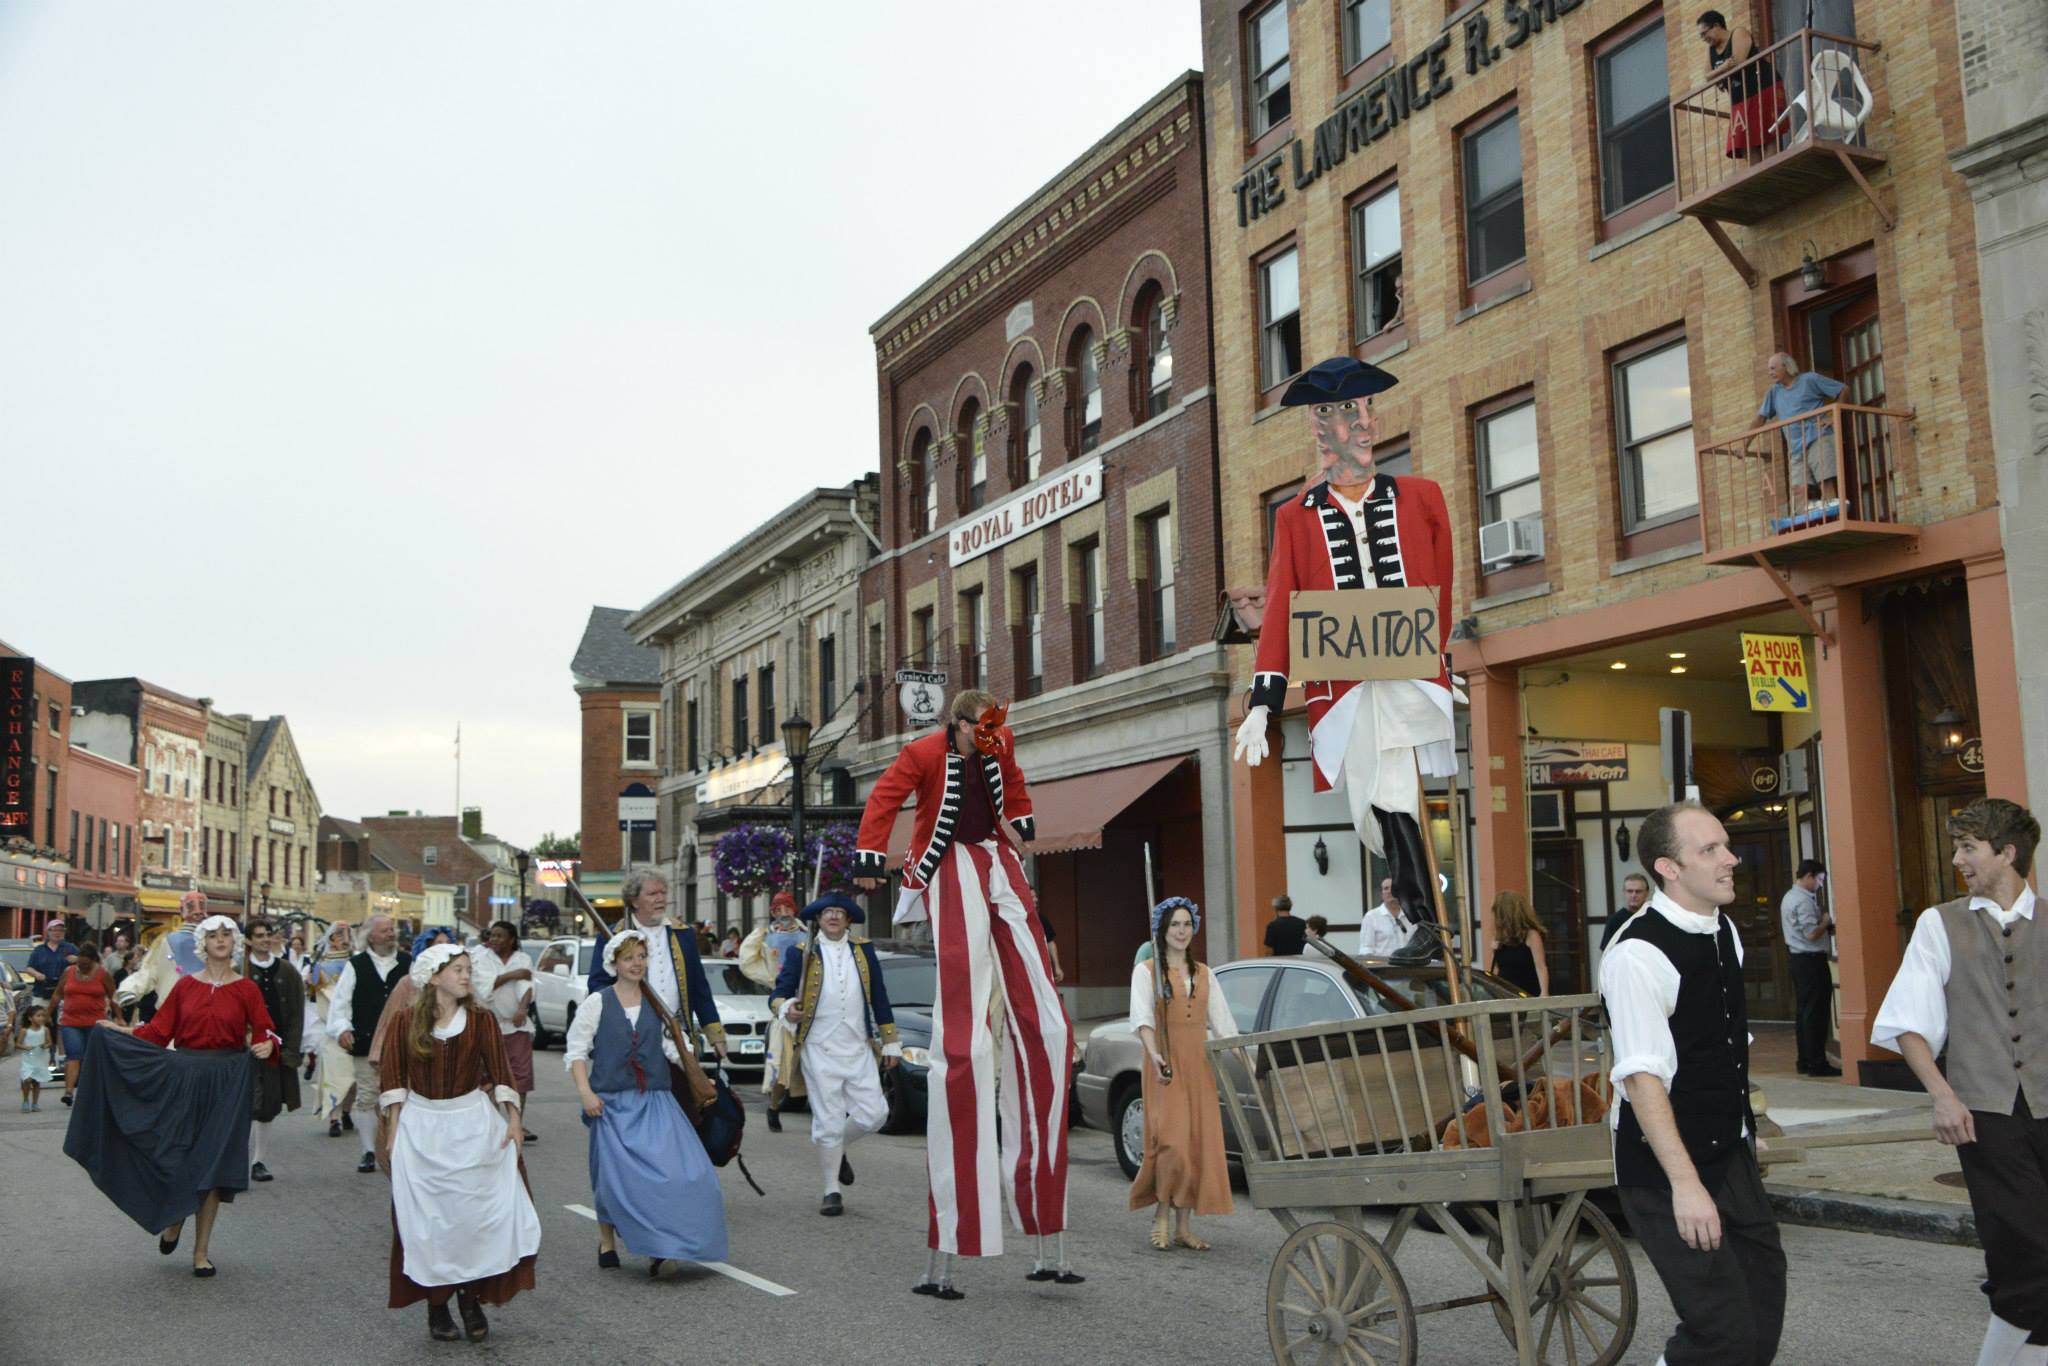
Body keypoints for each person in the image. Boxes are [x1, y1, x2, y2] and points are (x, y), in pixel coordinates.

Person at [1234, 357, 1457, 966]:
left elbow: (1441, 583)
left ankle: (1427, 922)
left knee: (1396, 795)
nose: (1352, 423)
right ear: (1317, 427)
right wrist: (1262, 702)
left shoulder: (1422, 497)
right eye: (1335, 412)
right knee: (1372, 805)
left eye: (1359, 409)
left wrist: (1440, 656)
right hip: (1346, 683)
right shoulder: (1294, 517)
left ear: (1372, 418)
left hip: (1408, 673)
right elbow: (1279, 610)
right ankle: (1429, 922)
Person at [853, 687, 1075, 1294]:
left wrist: (1023, 820)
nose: (988, 737)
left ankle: (1045, 1236)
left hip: (996, 860)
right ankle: (955, 1240)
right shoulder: (921, 753)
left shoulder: (999, 742)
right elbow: (885, 800)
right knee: (966, 1046)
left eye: (992, 728)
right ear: (954, 725)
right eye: (978, 729)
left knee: (1051, 1031)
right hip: (946, 865)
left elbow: (1016, 779)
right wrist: (872, 858)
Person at [1601, 801, 1784, 1365]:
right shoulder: (1636, 954)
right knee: (1721, 1331)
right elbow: (1642, 1079)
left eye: (1725, 845)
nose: (1731, 859)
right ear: (1669, 868)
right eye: (1710, 850)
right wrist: (1686, 1186)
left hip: (1729, 1150)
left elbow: (1724, 1047)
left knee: (1761, 1311)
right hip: (1662, 1166)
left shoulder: (1724, 929)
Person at [1872, 798, 2048, 1366]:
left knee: (2036, 1262)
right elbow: (1908, 1023)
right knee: (2022, 1246)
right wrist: (1943, 1096)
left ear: (2007, 853)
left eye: (1969, 847)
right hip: (1985, 1111)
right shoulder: (1938, 923)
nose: (1957, 859)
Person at [69, 914, 279, 1278]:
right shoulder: (185, 988)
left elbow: (267, 1033)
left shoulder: (246, 989)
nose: (220, 940)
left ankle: (201, 1252)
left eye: (226, 935)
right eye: (212, 935)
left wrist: (267, 1045)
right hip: (185, 1076)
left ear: (235, 944)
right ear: (202, 944)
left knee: (213, 1167)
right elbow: (157, 1031)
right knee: (179, 1157)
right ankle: (174, 1217)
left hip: (228, 1081)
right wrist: (120, 1030)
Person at [381, 944, 539, 1342]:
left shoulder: (482, 1020)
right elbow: (394, 1081)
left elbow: (502, 1072)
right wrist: (394, 1134)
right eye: (457, 970)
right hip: (422, 1127)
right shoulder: (405, 1022)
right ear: (433, 977)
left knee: (473, 1221)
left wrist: (515, 1120)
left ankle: (470, 1299)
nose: (466, 975)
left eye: (468, 969)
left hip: (472, 1124)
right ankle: (437, 1305)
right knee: (431, 1223)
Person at [568, 929, 729, 1276]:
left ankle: (663, 1245)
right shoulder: (597, 1003)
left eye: (641, 957)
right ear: (614, 964)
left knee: (683, 1174)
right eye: (629, 958)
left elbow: (676, 1051)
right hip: (610, 1104)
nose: (636, 964)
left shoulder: (658, 1008)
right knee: (612, 1179)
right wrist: (585, 1092)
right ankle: (607, 1240)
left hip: (655, 1102)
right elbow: (576, 1052)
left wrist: (699, 1078)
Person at [771, 892, 900, 1216]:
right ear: (818, 919)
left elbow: (880, 996)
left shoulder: (863, 950)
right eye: (827, 912)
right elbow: (777, 996)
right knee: (828, 1119)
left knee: (875, 1115)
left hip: (857, 1044)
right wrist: (789, 1009)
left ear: (847, 919)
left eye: (838, 913)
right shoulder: (803, 952)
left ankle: (836, 1147)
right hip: (819, 1046)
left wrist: (890, 1041)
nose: (832, 917)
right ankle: (831, 1190)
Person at [1129, 897, 1237, 1252]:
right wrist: (1155, 1054)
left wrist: (1248, 1060)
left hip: (1199, 1064)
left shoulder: (1205, 973)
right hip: (1166, 1064)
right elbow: (1142, 1019)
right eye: (1175, 924)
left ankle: (1184, 1227)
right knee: (1171, 1143)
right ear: (1162, 930)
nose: (1181, 931)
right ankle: (1161, 1212)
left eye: (1187, 925)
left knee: (1195, 1145)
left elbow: (1223, 1024)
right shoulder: (1147, 971)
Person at [587, 872, 728, 1063]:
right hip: (632, 1037)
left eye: (663, 893)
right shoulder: (612, 936)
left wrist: (715, 1034)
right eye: (653, 894)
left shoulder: (683, 933)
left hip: (678, 1033)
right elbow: (598, 986)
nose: (660, 898)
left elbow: (699, 987)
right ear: (634, 901)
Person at [324, 914, 411, 1173]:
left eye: (392, 930)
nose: (391, 934)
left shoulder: (407, 963)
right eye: (385, 930)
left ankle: (399, 1146)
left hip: (402, 1041)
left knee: (402, 1094)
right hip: (366, 1040)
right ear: (371, 935)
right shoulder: (356, 965)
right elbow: (340, 1002)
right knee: (367, 1095)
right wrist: (342, 1029)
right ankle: (368, 1151)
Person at [243, 919, 306, 1181]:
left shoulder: (288, 972)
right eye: (259, 936)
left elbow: (296, 1013)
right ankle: (237, 1158)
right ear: (249, 941)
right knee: (242, 1104)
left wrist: (290, 1049)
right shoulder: (240, 970)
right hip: (243, 1048)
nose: (265, 940)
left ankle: (258, 1160)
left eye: (268, 935)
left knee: (267, 1106)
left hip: (274, 1049)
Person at [739, 892, 808, 1132]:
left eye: (786, 908)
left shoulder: (808, 935)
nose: (783, 914)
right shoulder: (767, 937)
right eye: (778, 910)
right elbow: (747, 961)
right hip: (782, 1006)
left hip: (810, 1004)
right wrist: (772, 982)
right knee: (781, 1060)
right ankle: (774, 1106)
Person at [470, 921, 538, 1143]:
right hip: (490, 1025)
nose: (495, 940)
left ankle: (516, 1121)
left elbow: (527, 986)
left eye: (500, 936)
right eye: (492, 936)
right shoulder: (481, 958)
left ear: (511, 939)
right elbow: (484, 986)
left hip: (516, 1026)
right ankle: (491, 1123)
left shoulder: (523, 959)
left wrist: (522, 1008)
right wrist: (513, 975)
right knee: (488, 1075)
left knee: (520, 1077)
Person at [1758, 352, 1848, 514]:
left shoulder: (1809, 380)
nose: (1769, 372)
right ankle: (1804, 523)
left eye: (1773, 368)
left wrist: (1833, 416)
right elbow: (1760, 418)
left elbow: (1843, 389)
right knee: (1798, 490)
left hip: (1818, 438)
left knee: (1825, 480)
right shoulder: (1774, 392)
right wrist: (1745, 444)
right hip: (1796, 449)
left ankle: (1834, 517)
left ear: (1786, 367)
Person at [1698, 9, 1784, 160]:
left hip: (1762, 87)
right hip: (1739, 97)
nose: (1704, 38)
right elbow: (1707, 77)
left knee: (1769, 132)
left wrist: (1718, 72)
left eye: (1705, 33)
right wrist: (1724, 67)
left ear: (1716, 26)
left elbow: (1738, 62)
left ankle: (1772, 168)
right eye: (1701, 36)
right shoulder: (1711, 50)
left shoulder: (1738, 33)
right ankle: (1758, 178)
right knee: (1744, 141)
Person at [1780, 860, 1838, 1076]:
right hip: (1811, 961)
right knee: (1816, 1013)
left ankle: (1805, 1060)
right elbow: (1812, 933)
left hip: (1799, 960)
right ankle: (1817, 1062)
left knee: (1805, 1012)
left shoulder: (1789, 897)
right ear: (1809, 876)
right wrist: (1825, 922)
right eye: (1820, 879)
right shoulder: (1803, 901)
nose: (1820, 885)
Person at [50, 942, 114, 1105]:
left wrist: (119, 1017)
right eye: (80, 963)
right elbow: (57, 994)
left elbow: (114, 996)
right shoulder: (69, 972)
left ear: (93, 961)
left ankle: (90, 1093)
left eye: (86, 964)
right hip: (71, 1022)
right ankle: (69, 1092)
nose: (82, 966)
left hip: (95, 1023)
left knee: (90, 1058)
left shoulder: (102, 974)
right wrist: (47, 1013)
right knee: (74, 1054)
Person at [309, 922, 357, 1136]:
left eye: (347, 936)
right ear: (332, 940)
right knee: (334, 1076)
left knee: (354, 1077)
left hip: (355, 1027)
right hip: (332, 1028)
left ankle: (346, 1111)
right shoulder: (320, 967)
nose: (345, 940)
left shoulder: (357, 964)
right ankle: (334, 1118)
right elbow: (317, 995)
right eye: (340, 936)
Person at [1489, 891, 1550, 996]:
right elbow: (1497, 968)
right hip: (1505, 992)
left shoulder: (1531, 935)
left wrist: (1544, 992)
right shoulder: (1500, 937)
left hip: (1526, 991)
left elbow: (1541, 966)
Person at [26, 918, 77, 1002]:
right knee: (41, 1014)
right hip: (42, 993)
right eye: (54, 930)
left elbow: (89, 962)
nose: (58, 933)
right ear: (48, 932)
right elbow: (29, 968)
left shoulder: (71, 948)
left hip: (65, 994)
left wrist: (77, 959)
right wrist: (37, 974)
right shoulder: (39, 949)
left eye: (61, 930)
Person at [1358, 878, 1411, 958]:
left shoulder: (1411, 916)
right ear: (1381, 894)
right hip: (1383, 968)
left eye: (1393, 888)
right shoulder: (1371, 917)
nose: (1390, 891)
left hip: (1409, 967)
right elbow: (1366, 949)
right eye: (1386, 888)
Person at [1600, 872, 1653, 950]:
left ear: (1647, 893)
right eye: (1629, 891)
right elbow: (1606, 952)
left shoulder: (1654, 918)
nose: (1633, 895)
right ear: (1624, 892)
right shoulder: (1614, 920)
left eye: (1638, 891)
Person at [16, 1004, 51, 1111]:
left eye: (43, 1016)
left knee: (36, 1081)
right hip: (28, 1059)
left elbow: (49, 1042)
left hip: (40, 1058)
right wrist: (25, 1047)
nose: (41, 1018)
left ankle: (35, 1103)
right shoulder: (25, 1030)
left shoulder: (45, 1030)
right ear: (30, 1018)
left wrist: (45, 1045)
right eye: (38, 1016)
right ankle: (26, 1100)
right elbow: (17, 1044)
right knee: (27, 1079)